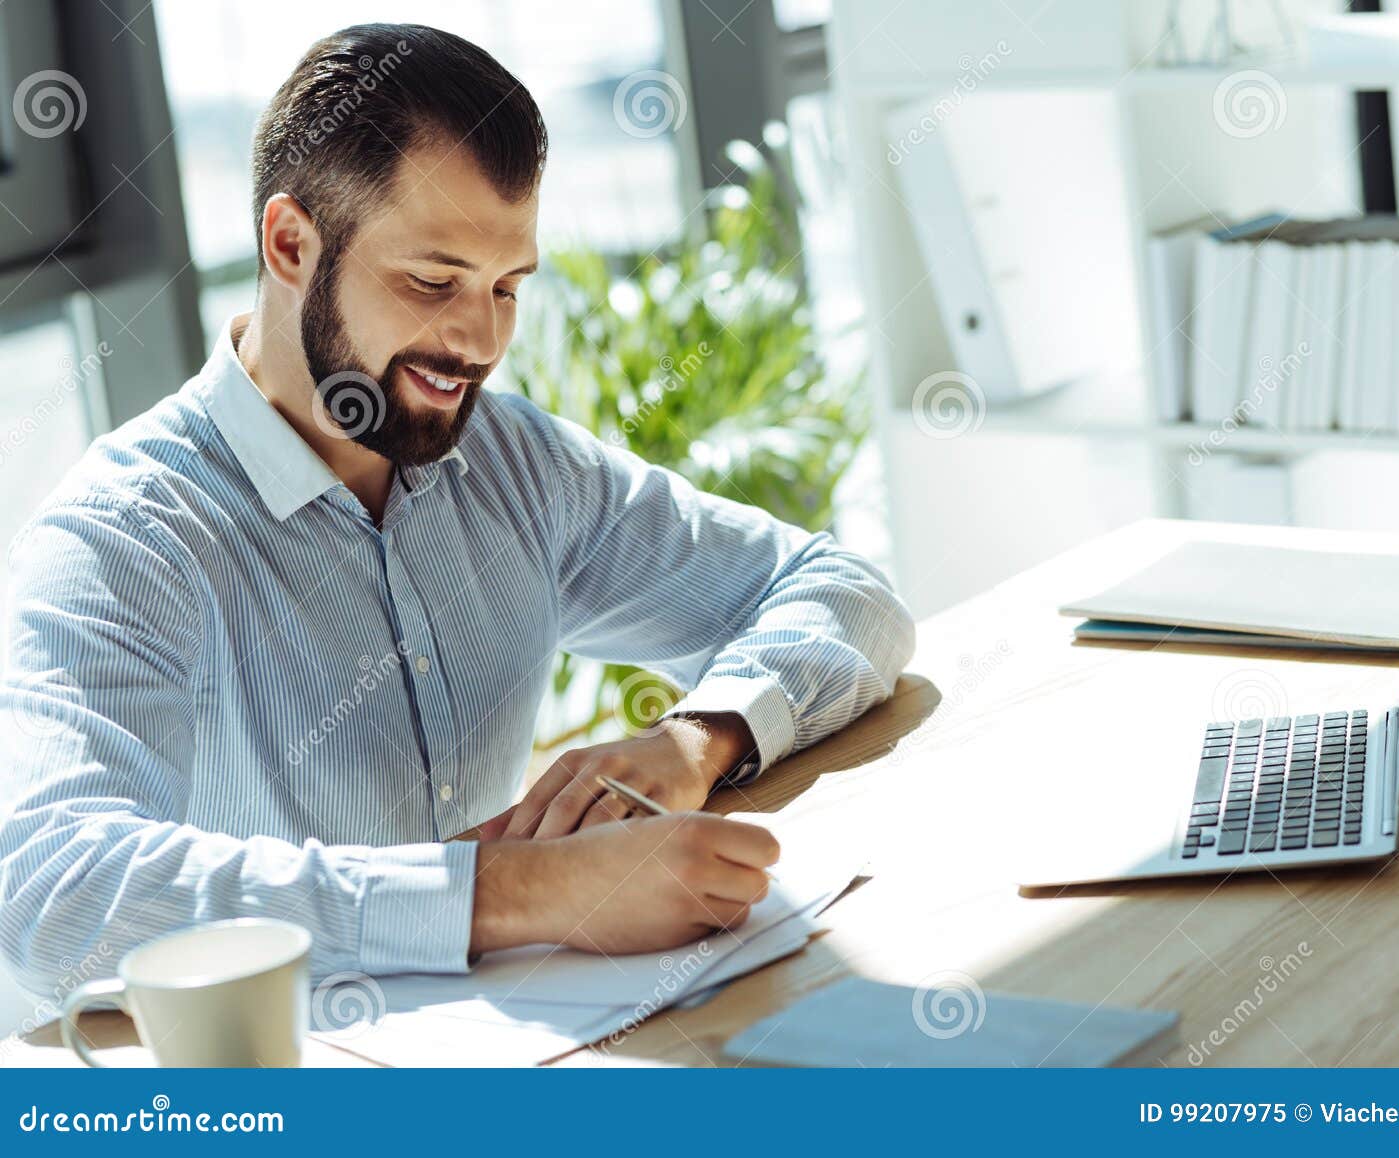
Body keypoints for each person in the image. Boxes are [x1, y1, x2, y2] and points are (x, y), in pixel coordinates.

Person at [0, 24, 914, 994]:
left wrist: (696, 741)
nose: (476, 340)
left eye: (507, 287)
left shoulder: (509, 460)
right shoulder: (124, 538)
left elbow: (839, 590)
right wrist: (509, 893)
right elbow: (48, 889)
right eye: (432, 282)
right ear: (290, 243)